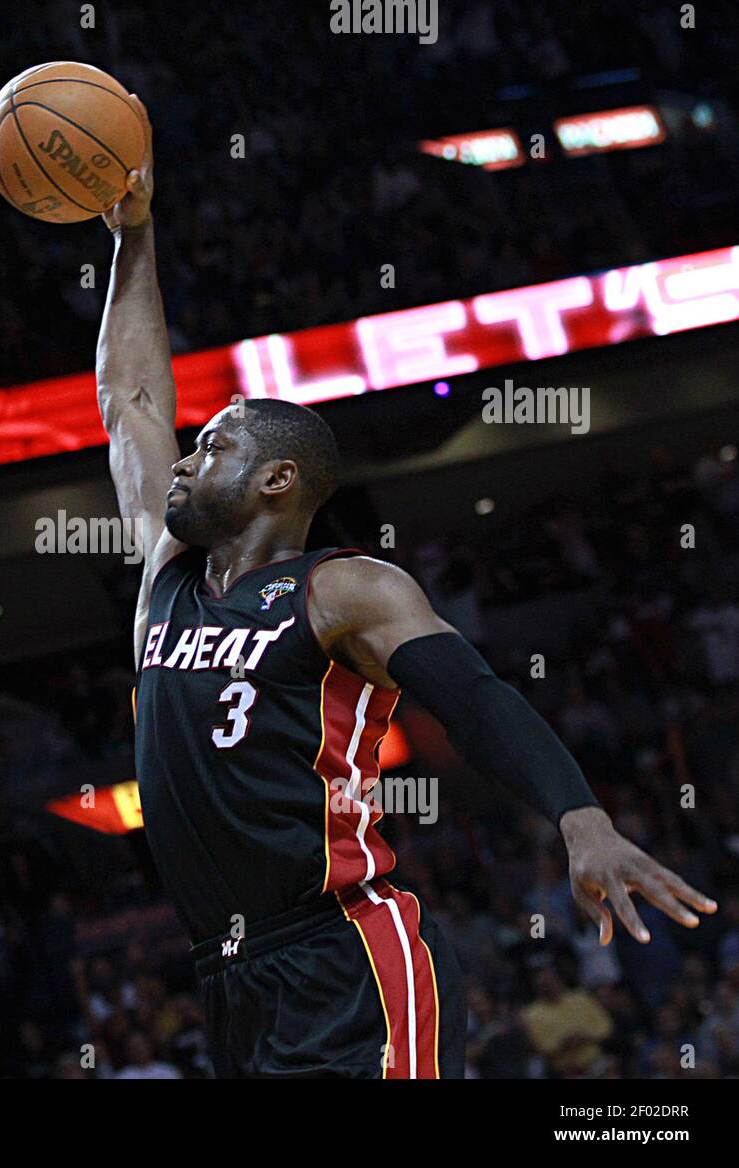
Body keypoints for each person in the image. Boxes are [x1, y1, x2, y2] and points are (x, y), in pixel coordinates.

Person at [94, 96, 716, 1079]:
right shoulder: (166, 581)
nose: (180, 462)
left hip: (345, 951)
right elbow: (129, 401)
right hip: (229, 977)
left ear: (276, 478)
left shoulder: (343, 588)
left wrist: (579, 816)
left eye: (208, 445)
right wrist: (135, 233)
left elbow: (470, 696)